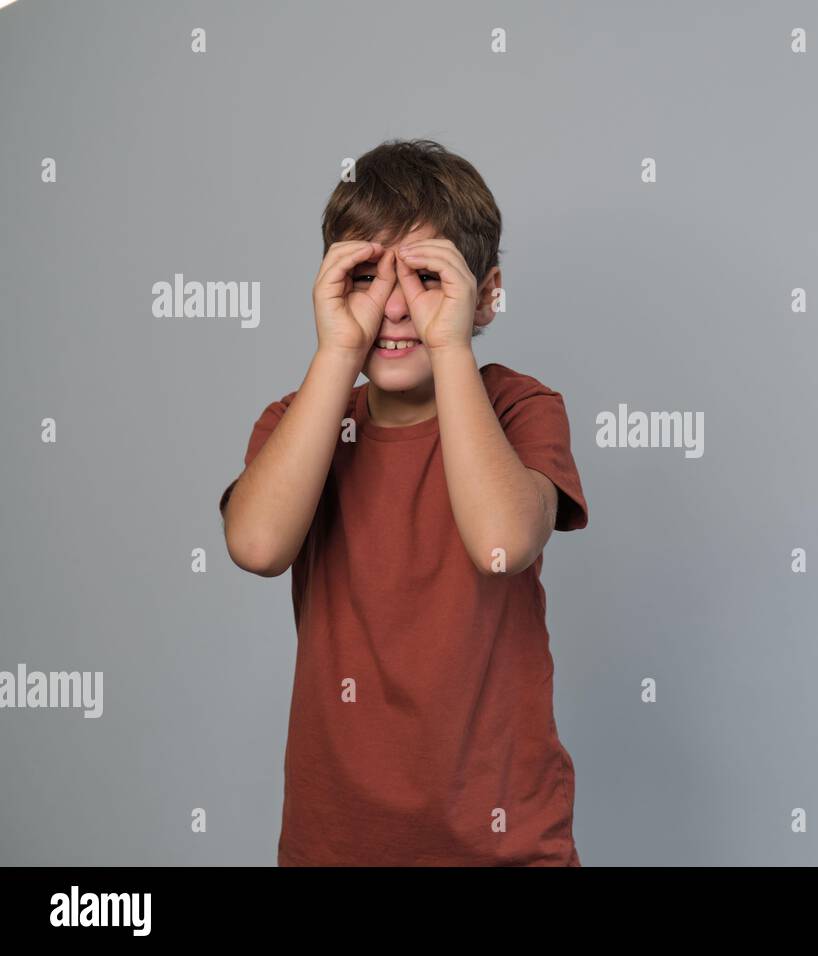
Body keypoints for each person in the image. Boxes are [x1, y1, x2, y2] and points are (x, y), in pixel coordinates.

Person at [218, 139, 588, 866]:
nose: (395, 306)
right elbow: (257, 547)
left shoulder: (520, 408)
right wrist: (336, 353)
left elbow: (502, 543)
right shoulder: (304, 423)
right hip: (339, 845)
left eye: (425, 276)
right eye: (365, 276)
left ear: (485, 295)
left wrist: (450, 347)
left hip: (503, 844)